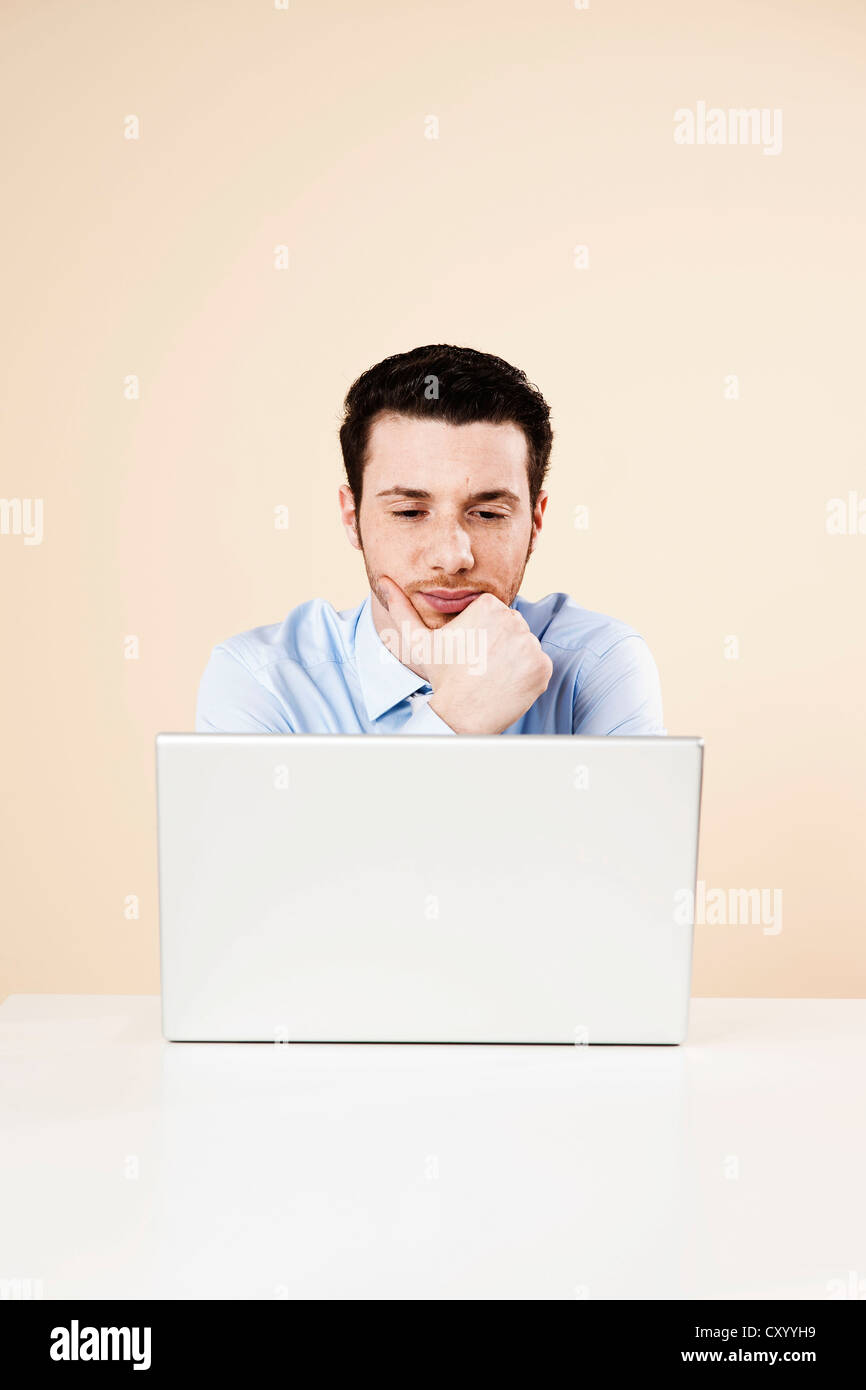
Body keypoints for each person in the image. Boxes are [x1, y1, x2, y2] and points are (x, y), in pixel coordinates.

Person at [196, 344, 665, 736]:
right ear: (352, 516)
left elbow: (632, 849)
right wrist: (458, 717)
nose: (452, 556)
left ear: (536, 522)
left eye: (487, 513)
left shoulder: (597, 665)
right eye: (410, 512)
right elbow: (265, 852)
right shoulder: (262, 681)